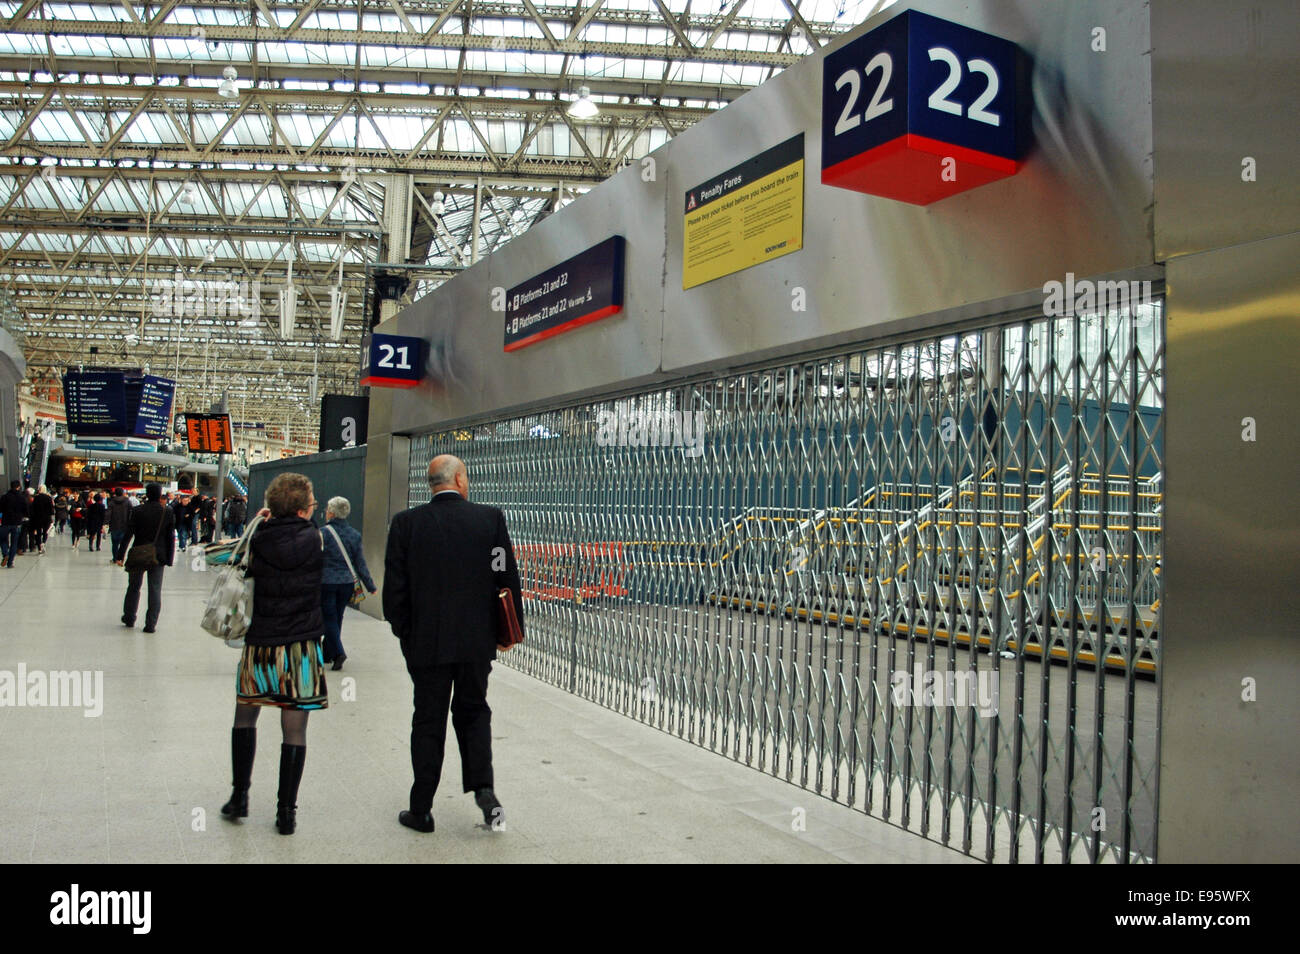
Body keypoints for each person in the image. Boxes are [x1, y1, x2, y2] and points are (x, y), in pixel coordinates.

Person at [383, 454, 524, 834]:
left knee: (428, 719)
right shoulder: (489, 520)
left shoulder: (406, 525)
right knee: (474, 711)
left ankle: (422, 809)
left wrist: (407, 635)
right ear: (460, 479)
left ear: (433, 483)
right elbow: (504, 576)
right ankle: (485, 794)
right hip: (476, 643)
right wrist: (508, 631)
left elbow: (395, 592)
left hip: (426, 645)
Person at [219, 473, 327, 836]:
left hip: (261, 643)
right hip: (301, 646)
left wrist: (262, 522)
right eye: (311, 505)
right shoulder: (316, 540)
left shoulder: (258, 538)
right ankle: (286, 813)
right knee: (294, 731)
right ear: (300, 510)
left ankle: (239, 796)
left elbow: (225, 556)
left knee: (245, 718)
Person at [319, 496, 377, 671]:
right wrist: (370, 586)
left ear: (330, 512)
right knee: (338, 616)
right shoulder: (354, 535)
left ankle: (338, 652)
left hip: (326, 581)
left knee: (328, 618)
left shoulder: (323, 533)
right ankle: (327, 653)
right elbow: (360, 563)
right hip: (347, 583)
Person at [119, 483, 176, 634]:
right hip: (159, 555)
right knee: (155, 589)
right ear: (159, 495)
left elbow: (128, 533)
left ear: (147, 494)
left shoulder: (137, 510)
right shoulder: (167, 511)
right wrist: (170, 558)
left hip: (139, 552)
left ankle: (130, 617)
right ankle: (150, 624)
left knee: (133, 587)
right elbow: (170, 536)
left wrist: (120, 555)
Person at [0, 480, 27, 568]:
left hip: (6, 522)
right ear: (19, 487)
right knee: (14, 543)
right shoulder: (22, 498)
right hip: (17, 523)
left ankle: (5, 554)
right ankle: (10, 562)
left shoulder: (5, 497)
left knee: (2, 539)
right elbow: (25, 510)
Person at [106, 487, 132, 564]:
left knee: (115, 544)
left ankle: (115, 558)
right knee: (123, 544)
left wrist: (106, 523)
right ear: (123, 493)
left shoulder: (112, 502)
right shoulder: (127, 501)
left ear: (115, 493)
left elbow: (108, 514)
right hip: (124, 526)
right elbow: (131, 512)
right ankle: (121, 559)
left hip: (114, 526)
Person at [29, 485, 54, 555]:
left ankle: (39, 548)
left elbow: (33, 508)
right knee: (45, 531)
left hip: (38, 518)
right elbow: (51, 510)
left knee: (38, 532)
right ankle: (43, 542)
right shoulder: (49, 498)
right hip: (47, 518)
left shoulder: (36, 498)